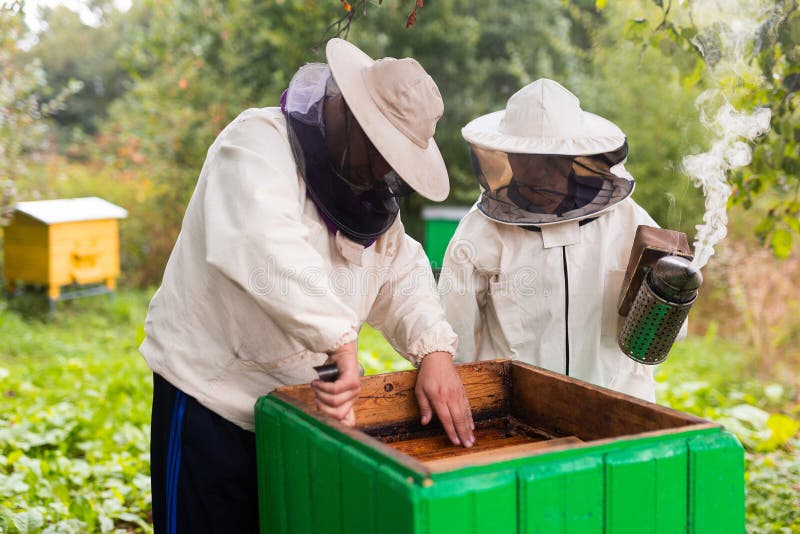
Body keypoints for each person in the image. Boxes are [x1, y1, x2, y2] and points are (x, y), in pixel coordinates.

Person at [140, 38, 475, 533]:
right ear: (348, 116)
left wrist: (434, 353)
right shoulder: (256, 142)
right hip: (211, 402)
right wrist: (338, 338)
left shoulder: (366, 195)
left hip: (298, 419)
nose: (383, 172)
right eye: (380, 155)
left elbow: (401, 273)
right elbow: (263, 244)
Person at [439, 78, 676, 403]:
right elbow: (454, 342)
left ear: (573, 156)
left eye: (550, 158)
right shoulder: (479, 233)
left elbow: (666, 328)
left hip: (616, 409)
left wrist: (669, 291)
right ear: (508, 154)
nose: (538, 171)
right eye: (527, 157)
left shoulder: (631, 222)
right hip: (518, 417)